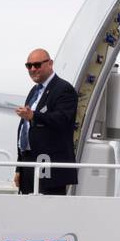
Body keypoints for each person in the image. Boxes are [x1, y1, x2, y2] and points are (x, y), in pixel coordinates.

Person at [15, 48, 77, 195]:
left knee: (48, 212)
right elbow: (25, 129)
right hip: (29, 163)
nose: (32, 69)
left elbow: (62, 119)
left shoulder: (63, 89)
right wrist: (19, 167)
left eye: (36, 65)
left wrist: (34, 116)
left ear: (50, 63)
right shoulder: (34, 91)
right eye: (28, 66)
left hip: (49, 165)